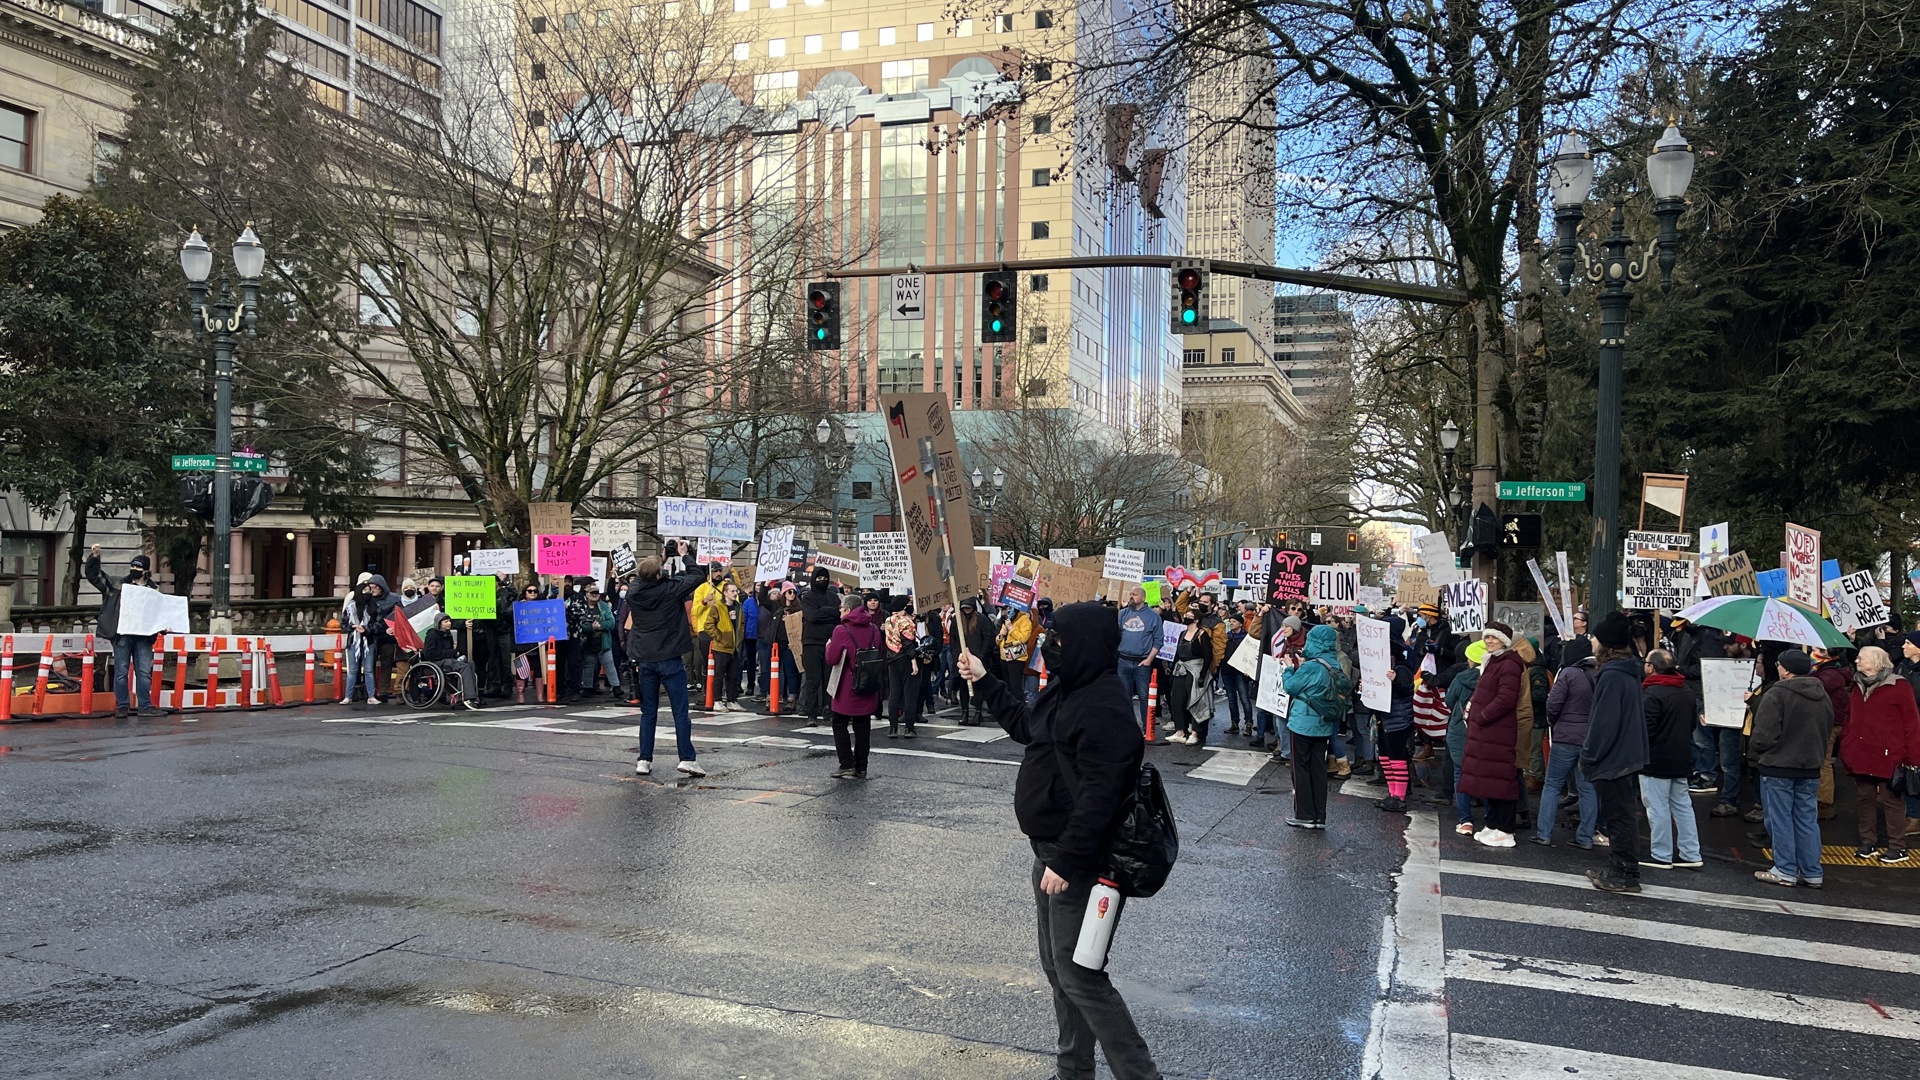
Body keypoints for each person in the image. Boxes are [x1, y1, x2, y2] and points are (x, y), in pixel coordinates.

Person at [955, 603, 1162, 1080]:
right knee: (1059, 969)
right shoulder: (1065, 689)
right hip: (1051, 852)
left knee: (1081, 975)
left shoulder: (1105, 706)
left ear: (1086, 645)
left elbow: (1101, 797)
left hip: (1080, 861)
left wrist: (1067, 861)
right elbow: (1027, 728)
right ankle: (1073, 1070)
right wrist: (986, 678)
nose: (1050, 646)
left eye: (1060, 640)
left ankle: (1140, 1074)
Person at [623, 553, 712, 778]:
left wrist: (660, 560)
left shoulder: (633, 593)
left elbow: (644, 578)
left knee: (648, 712)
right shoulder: (670, 590)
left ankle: (644, 759)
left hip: (646, 658)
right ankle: (687, 758)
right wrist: (685, 554)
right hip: (670, 656)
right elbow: (698, 575)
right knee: (680, 712)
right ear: (659, 574)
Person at [1752, 649, 1834, 887]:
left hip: (1778, 765)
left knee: (1780, 820)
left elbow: (1763, 735)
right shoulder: (1822, 694)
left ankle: (1786, 869)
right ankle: (1812, 871)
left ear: (1786, 669)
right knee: (1807, 819)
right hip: (1810, 764)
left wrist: (1759, 751)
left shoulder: (1777, 694)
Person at [1583, 612, 1651, 892]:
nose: (1591, 640)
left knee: (1619, 818)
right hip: (1627, 754)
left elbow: (1604, 722)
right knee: (1622, 816)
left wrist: (1589, 755)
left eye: (1594, 636)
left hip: (1613, 758)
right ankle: (1624, 869)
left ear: (1605, 642)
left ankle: (1623, 873)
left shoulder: (1612, 675)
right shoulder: (1627, 671)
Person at [1842, 646, 1920, 863]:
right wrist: (1848, 746)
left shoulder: (1899, 686)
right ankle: (1868, 842)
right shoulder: (1857, 686)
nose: (1856, 660)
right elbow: (1849, 717)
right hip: (1861, 752)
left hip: (1890, 754)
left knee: (1891, 800)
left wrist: (1912, 757)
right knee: (1863, 798)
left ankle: (1898, 846)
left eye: (1861, 657)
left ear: (1876, 661)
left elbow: (1911, 723)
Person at [1460, 621, 1528, 847]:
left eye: (1494, 637)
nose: (1489, 641)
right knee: (1490, 780)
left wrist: (1482, 716)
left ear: (1505, 641)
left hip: (1496, 731)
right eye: (1487, 637)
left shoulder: (1508, 664)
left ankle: (1506, 829)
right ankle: (1494, 824)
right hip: (1488, 732)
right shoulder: (1494, 661)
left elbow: (1506, 699)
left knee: (1501, 781)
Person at [1639, 649, 1704, 870]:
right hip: (1681, 756)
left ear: (1652, 667)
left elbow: (1644, 730)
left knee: (1657, 807)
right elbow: (1692, 725)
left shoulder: (1651, 693)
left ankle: (1661, 854)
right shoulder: (1685, 690)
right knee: (1683, 806)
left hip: (1655, 759)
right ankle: (1690, 852)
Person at [1533, 637, 1599, 849]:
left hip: (1565, 737)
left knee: (1552, 785)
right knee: (1587, 788)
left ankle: (1544, 833)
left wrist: (1555, 722)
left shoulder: (1568, 674)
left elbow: (1553, 704)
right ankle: (1586, 837)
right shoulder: (1601, 674)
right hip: (1589, 738)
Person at [82, 545, 164, 718]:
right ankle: (123, 705)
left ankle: (144, 706)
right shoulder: (117, 584)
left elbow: (160, 613)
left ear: (146, 570)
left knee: (143, 672)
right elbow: (94, 576)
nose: (134, 570)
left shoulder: (154, 591)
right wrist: (95, 557)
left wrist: (164, 627)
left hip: (144, 637)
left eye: (138, 567)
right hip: (122, 635)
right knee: (121, 671)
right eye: (132, 566)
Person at [1282, 623, 1345, 828]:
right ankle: (1319, 815)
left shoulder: (1310, 666)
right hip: (1324, 722)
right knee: (1318, 768)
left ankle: (1304, 814)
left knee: (1300, 768)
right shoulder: (1333, 664)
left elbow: (1291, 686)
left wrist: (1289, 670)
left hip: (1303, 722)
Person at [825, 593, 885, 778]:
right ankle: (861, 766)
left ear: (848, 610)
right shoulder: (874, 628)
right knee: (863, 726)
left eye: (841, 607)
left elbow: (831, 658)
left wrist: (829, 646)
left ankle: (846, 763)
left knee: (839, 722)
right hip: (868, 683)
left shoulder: (841, 630)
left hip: (847, 686)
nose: (839, 610)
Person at [1446, 640, 1483, 834]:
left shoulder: (1461, 678)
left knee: (1460, 773)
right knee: (1485, 774)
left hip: (1460, 729)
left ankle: (1465, 819)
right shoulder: (1492, 678)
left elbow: (1449, 700)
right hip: (1483, 731)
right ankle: (1491, 819)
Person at [1115, 587, 1163, 731]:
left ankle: (1147, 727)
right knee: (1125, 696)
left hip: (1142, 662)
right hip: (1123, 661)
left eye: (1134, 594)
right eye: (1130, 594)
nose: (1131, 596)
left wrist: (1149, 659)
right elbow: (1115, 635)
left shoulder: (1153, 617)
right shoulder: (1122, 614)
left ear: (1143, 598)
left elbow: (1159, 640)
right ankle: (1128, 727)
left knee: (1144, 696)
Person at [799, 568, 841, 723]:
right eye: (819, 578)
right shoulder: (808, 597)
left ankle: (828, 710)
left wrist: (823, 611)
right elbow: (812, 616)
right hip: (811, 643)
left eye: (824, 578)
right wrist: (828, 613)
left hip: (830, 642)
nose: (822, 581)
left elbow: (838, 616)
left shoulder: (833, 596)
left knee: (829, 680)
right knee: (813, 680)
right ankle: (811, 713)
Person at [1165, 608, 1211, 746]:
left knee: (1194, 701)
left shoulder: (1202, 634)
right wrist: (1172, 668)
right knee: (1176, 700)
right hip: (1181, 669)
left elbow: (1208, 656)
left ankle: (1195, 733)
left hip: (1195, 669)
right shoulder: (1182, 633)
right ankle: (1180, 731)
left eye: (1189, 616)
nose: (1186, 618)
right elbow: (1177, 653)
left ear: (1196, 620)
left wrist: (1203, 675)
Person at [342, 575, 389, 706]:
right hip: (353, 642)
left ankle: (371, 696)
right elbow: (343, 624)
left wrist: (367, 629)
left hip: (369, 641)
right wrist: (352, 627)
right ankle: (348, 696)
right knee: (352, 670)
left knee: (368, 670)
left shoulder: (374, 607)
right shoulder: (350, 607)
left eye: (369, 590)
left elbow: (380, 625)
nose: (367, 593)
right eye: (365, 591)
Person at [700, 580, 745, 711]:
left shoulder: (738, 606)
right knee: (719, 675)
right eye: (732, 591)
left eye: (736, 591)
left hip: (734, 646)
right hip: (721, 647)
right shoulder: (717, 606)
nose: (735, 593)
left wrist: (740, 636)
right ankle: (717, 700)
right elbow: (708, 624)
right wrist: (719, 637)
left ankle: (732, 700)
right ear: (725, 593)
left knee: (733, 675)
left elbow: (741, 623)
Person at [422, 614, 482, 709]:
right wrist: (452, 652)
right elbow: (429, 654)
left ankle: (469, 694)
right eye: (446, 622)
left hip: (447, 659)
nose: (449, 623)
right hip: (436, 662)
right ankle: (467, 697)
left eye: (449, 621)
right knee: (463, 666)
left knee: (470, 663)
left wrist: (455, 654)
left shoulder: (448, 634)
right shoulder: (432, 635)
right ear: (439, 624)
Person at [884, 597, 923, 738]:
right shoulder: (906, 622)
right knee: (910, 694)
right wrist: (913, 661)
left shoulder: (888, 620)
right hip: (905, 659)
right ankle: (909, 727)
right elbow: (908, 643)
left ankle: (893, 728)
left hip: (892, 658)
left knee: (894, 693)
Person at [578, 586, 620, 698]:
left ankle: (616, 688)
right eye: (592, 593)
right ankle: (587, 688)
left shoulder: (604, 607)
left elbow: (611, 622)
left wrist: (601, 626)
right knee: (588, 666)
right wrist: (591, 628)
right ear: (587, 594)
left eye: (597, 593)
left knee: (610, 665)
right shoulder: (582, 607)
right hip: (588, 643)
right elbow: (580, 623)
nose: (595, 595)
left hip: (603, 642)